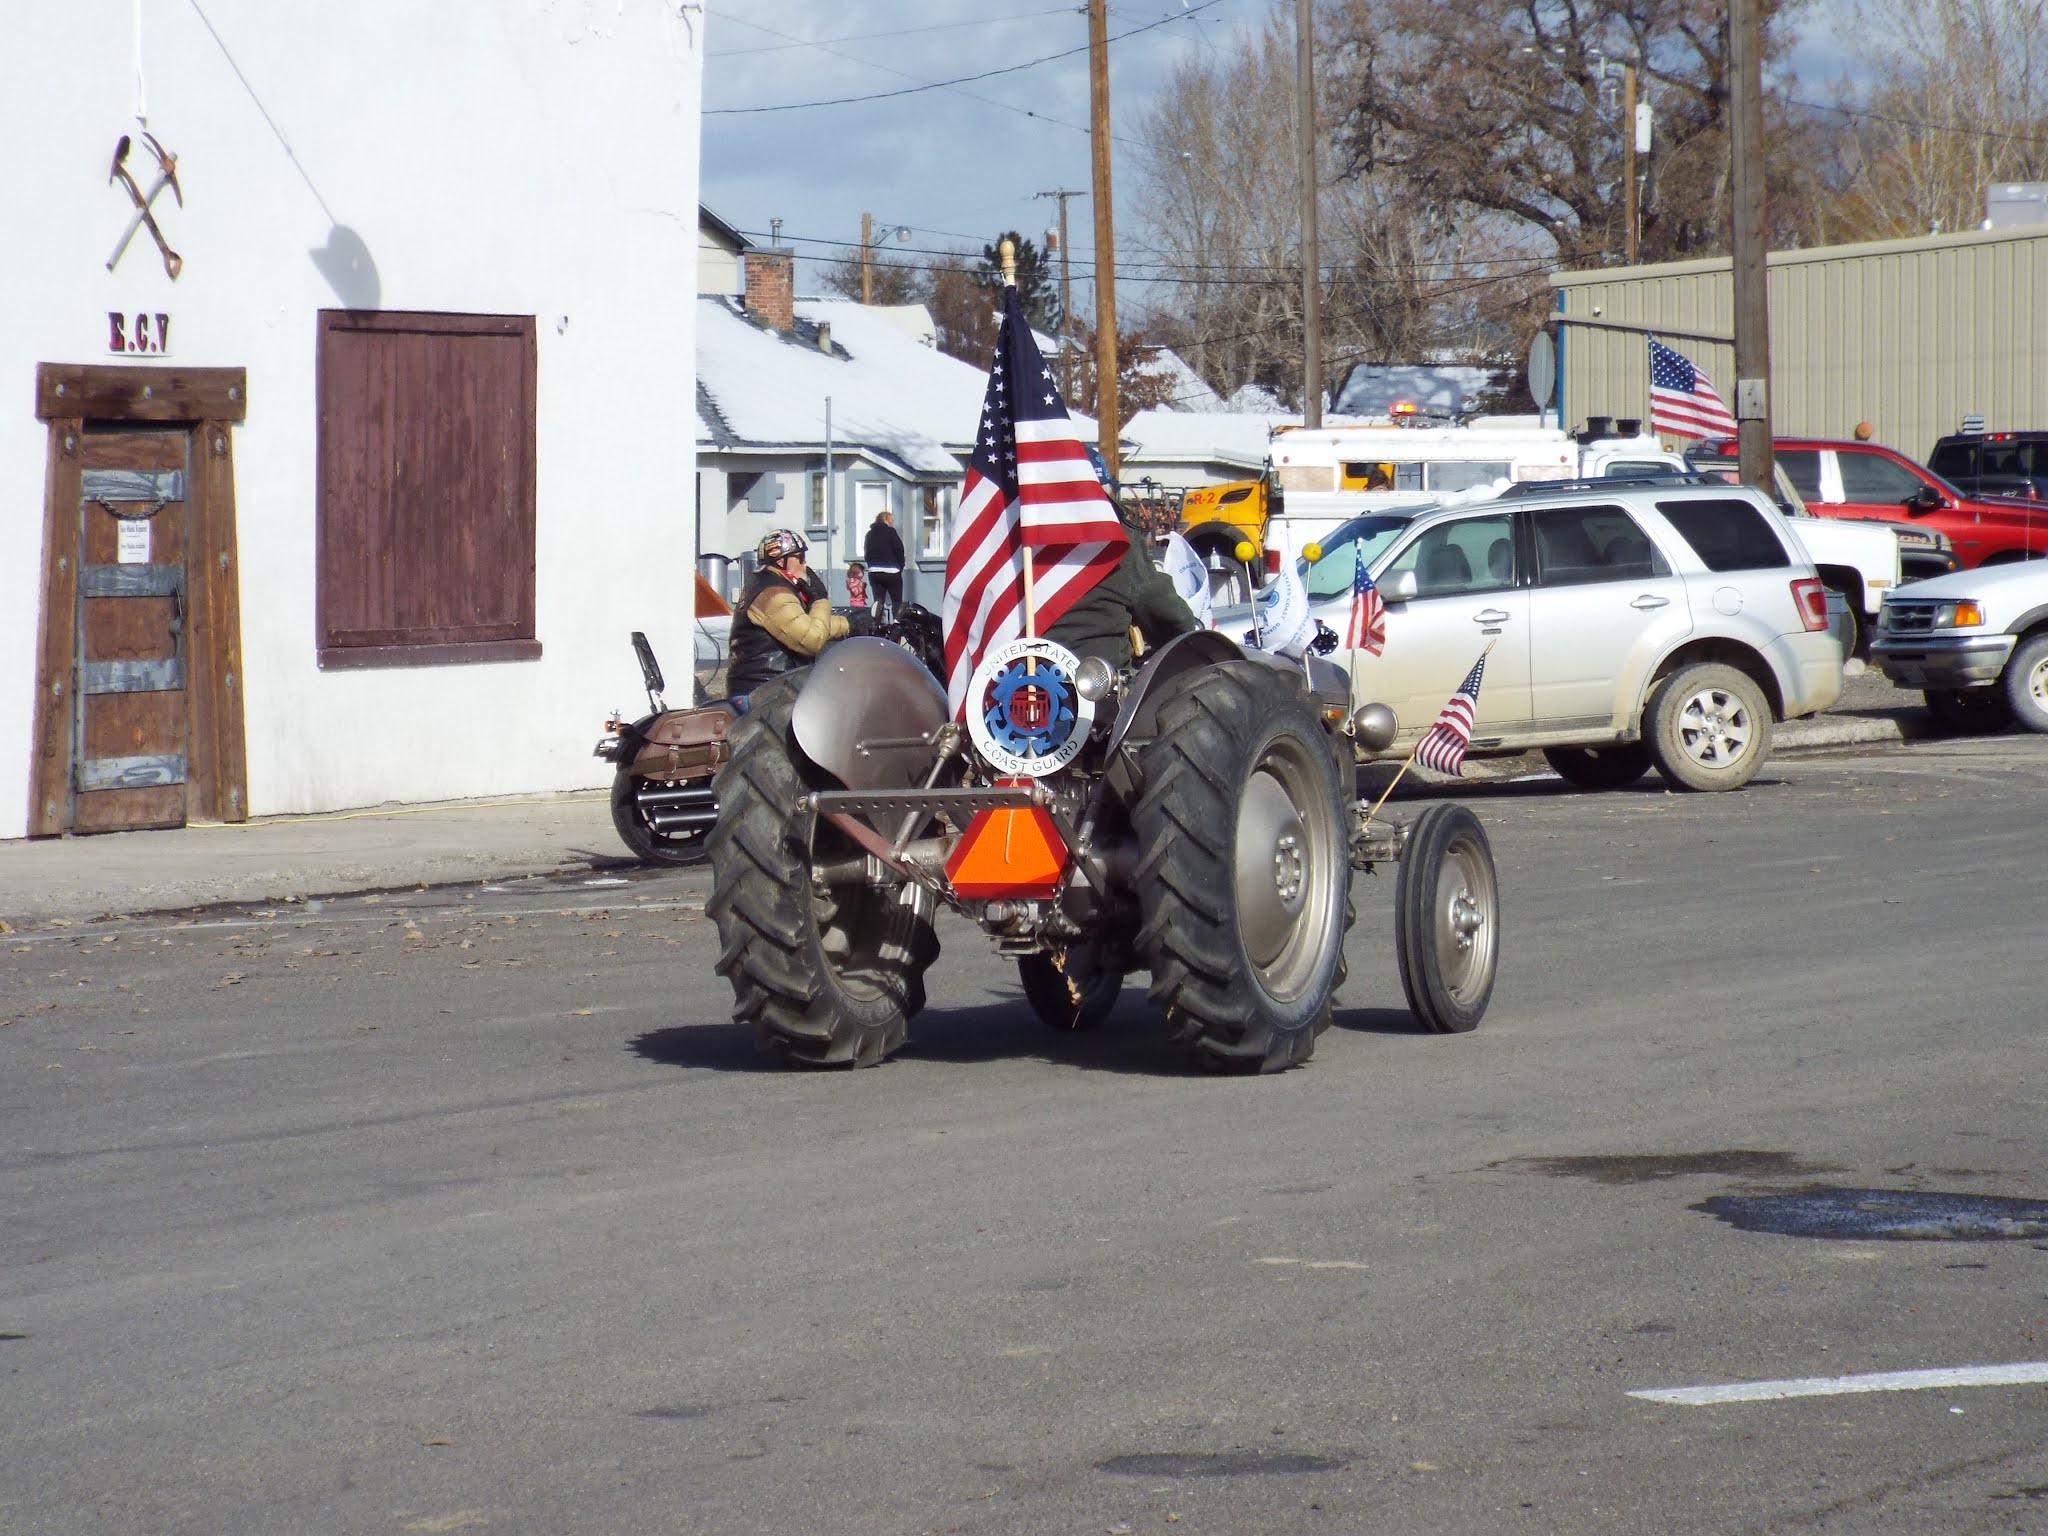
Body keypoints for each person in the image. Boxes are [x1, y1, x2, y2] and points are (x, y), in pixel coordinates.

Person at [1045, 505, 1201, 670]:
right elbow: (1170, 619)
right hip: (1102, 685)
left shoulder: (1018, 536)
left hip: (1021, 678)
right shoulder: (1116, 539)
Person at [724, 529, 849, 700]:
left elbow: (801, 624)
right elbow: (812, 639)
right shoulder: (775, 594)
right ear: (781, 560)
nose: (805, 564)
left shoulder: (769, 584)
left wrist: (849, 625)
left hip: (765, 688)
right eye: (800, 558)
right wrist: (820, 599)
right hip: (763, 692)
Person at [864, 508, 905, 619]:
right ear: (885, 519)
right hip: (892, 570)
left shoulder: (869, 534)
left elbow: (867, 552)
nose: (892, 523)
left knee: (878, 600)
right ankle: (897, 624)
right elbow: (899, 549)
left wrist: (871, 564)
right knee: (896, 601)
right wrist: (901, 565)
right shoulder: (891, 532)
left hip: (875, 571)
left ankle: (877, 624)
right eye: (891, 520)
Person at [844, 560, 873, 635]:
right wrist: (862, 587)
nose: (862, 574)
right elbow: (856, 592)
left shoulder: (858, 581)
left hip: (861, 602)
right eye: (861, 572)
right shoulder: (852, 581)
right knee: (857, 618)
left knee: (861, 619)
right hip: (856, 603)